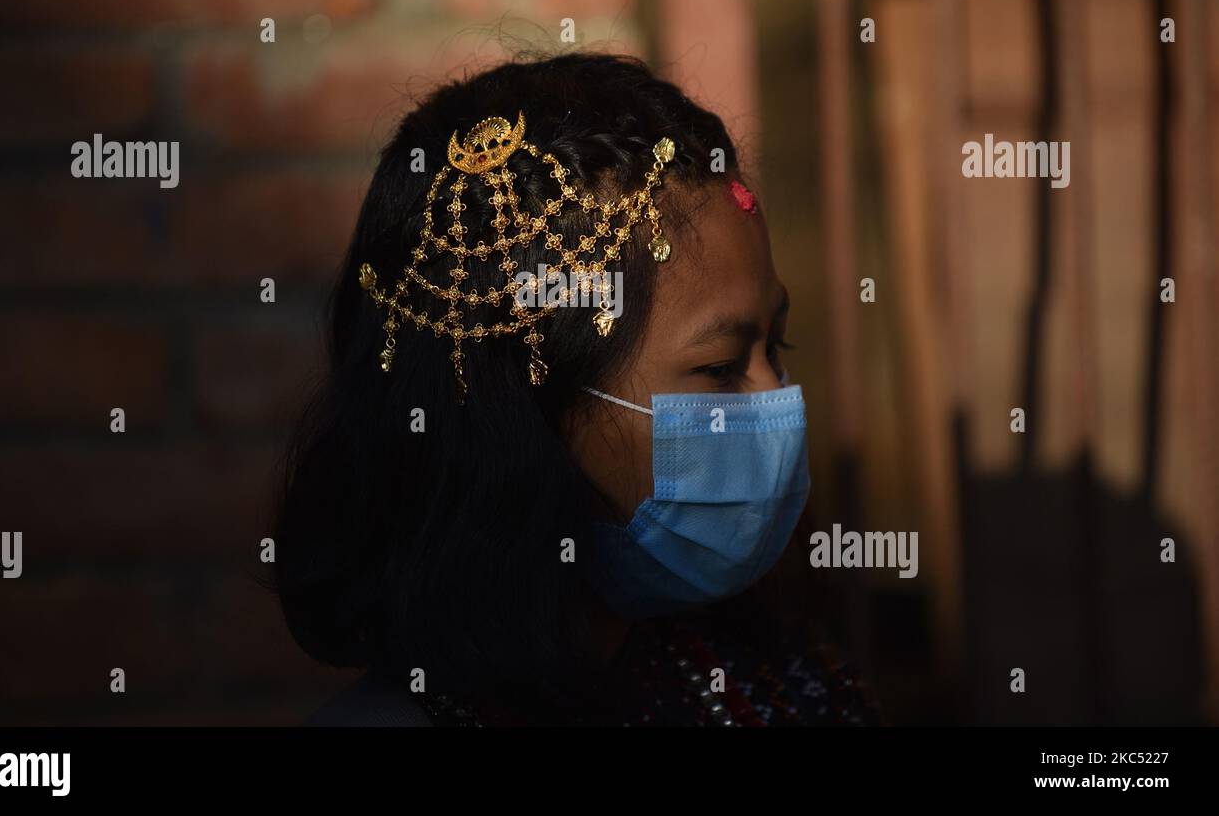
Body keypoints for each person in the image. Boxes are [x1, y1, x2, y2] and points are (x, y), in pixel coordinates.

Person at [275, 51, 882, 726]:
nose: (776, 404)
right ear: (533, 406)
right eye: (719, 369)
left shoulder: (783, 687)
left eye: (776, 348)